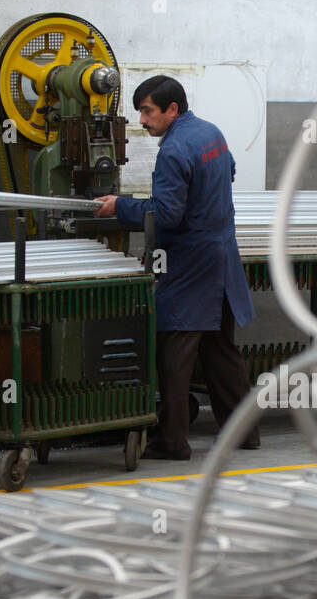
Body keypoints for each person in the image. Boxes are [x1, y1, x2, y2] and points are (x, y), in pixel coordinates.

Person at [95, 75, 259, 460]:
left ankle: (171, 441)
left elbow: (165, 214)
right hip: (221, 255)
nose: (143, 121)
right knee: (221, 351)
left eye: (148, 112)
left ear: (172, 109)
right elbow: (229, 171)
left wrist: (119, 206)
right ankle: (244, 432)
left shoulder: (173, 151)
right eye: (140, 112)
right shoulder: (211, 133)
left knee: (175, 352)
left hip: (189, 264)